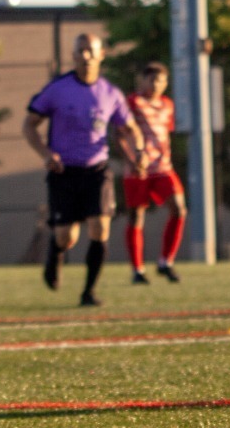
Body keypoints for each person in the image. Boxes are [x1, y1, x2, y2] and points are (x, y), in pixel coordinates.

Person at [24, 32, 143, 305]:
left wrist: (139, 151)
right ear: (74, 56)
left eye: (91, 50)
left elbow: (130, 128)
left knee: (100, 229)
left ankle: (88, 292)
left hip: (96, 171)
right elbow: (29, 125)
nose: (86, 56)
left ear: (102, 55)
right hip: (63, 172)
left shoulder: (111, 94)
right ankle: (56, 251)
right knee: (67, 237)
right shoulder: (58, 89)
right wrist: (45, 154)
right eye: (81, 51)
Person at [124, 62, 187, 283]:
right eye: (152, 80)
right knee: (136, 216)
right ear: (142, 80)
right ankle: (137, 270)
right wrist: (132, 158)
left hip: (163, 167)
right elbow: (121, 132)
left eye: (161, 81)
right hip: (139, 169)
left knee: (179, 209)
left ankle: (165, 262)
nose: (156, 85)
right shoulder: (133, 102)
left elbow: (164, 134)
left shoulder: (167, 105)